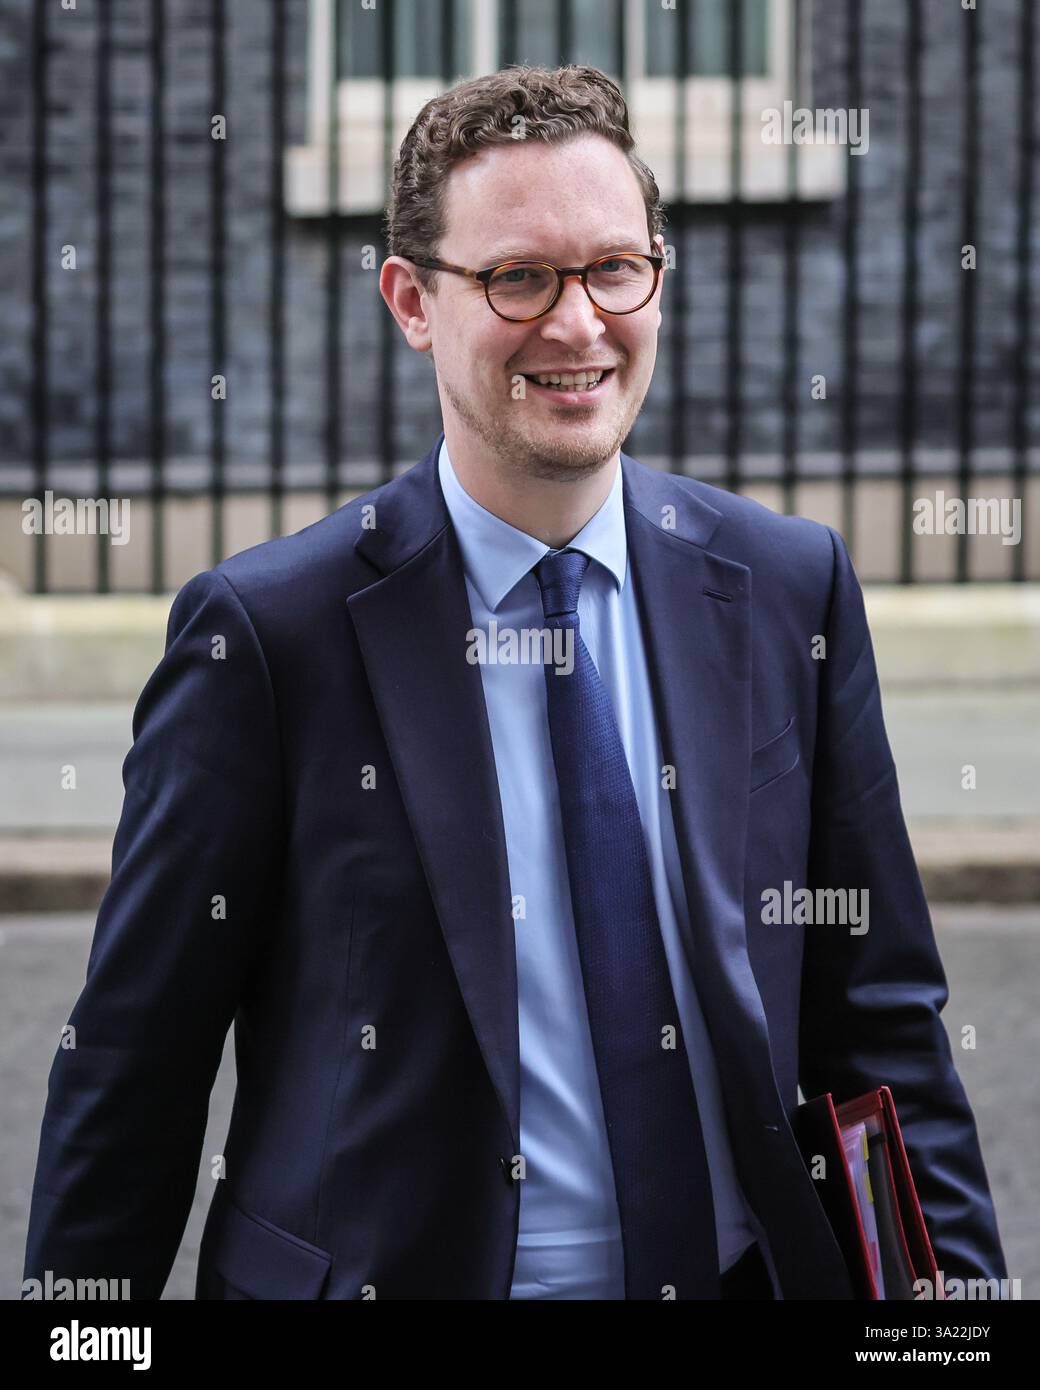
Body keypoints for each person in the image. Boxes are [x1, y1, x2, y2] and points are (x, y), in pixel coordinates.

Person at [23, 64, 1007, 1301]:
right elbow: (134, 1063)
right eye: (517, 277)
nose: (578, 323)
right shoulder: (267, 636)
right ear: (410, 301)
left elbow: (880, 1020)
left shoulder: (782, 584)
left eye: (612, 267)